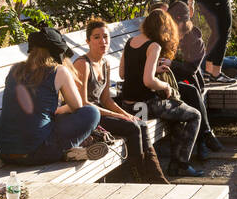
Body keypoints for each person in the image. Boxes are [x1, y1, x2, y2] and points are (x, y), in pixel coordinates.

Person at [73, 18, 170, 184]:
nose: (102, 41)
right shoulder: (83, 64)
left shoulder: (105, 63)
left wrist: (127, 115)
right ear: (88, 41)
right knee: (132, 127)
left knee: (140, 123)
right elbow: (82, 103)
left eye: (105, 37)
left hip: (100, 112)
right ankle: (140, 178)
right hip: (86, 117)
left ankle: (156, 177)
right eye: (96, 37)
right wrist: (121, 117)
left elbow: (105, 99)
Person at [0, 27, 106, 167]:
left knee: (46, 120)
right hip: (33, 154)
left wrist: (55, 111)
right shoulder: (58, 71)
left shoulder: (15, 69)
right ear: (57, 52)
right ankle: (69, 151)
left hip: (4, 152)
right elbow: (78, 107)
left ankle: (70, 150)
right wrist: (59, 111)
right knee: (92, 112)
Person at [119, 9, 204, 178]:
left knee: (179, 119)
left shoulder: (130, 42)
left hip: (128, 104)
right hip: (146, 105)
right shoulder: (154, 46)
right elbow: (148, 81)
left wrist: (154, 69)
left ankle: (176, 165)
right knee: (194, 115)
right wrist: (165, 86)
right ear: (165, 28)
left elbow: (123, 74)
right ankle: (182, 164)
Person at [166, 0, 225, 162]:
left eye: (177, 22)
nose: (173, 25)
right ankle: (205, 137)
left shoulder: (195, 39)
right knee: (191, 92)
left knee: (192, 91)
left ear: (184, 22)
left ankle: (201, 142)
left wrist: (172, 63)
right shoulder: (165, 36)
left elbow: (191, 69)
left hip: (189, 79)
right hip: (170, 83)